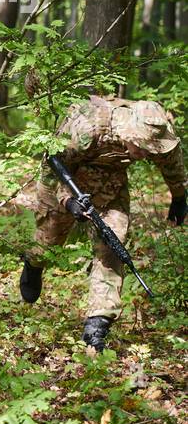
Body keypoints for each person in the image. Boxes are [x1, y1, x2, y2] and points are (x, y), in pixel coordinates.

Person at [20, 95, 186, 351]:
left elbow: (171, 162)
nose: (145, 154)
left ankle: (97, 327)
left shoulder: (159, 130)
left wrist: (179, 196)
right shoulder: (87, 128)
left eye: (150, 149)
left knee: (112, 245)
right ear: (128, 133)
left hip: (110, 182)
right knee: (48, 242)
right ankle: (33, 264)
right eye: (141, 147)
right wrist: (69, 202)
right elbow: (55, 166)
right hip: (63, 179)